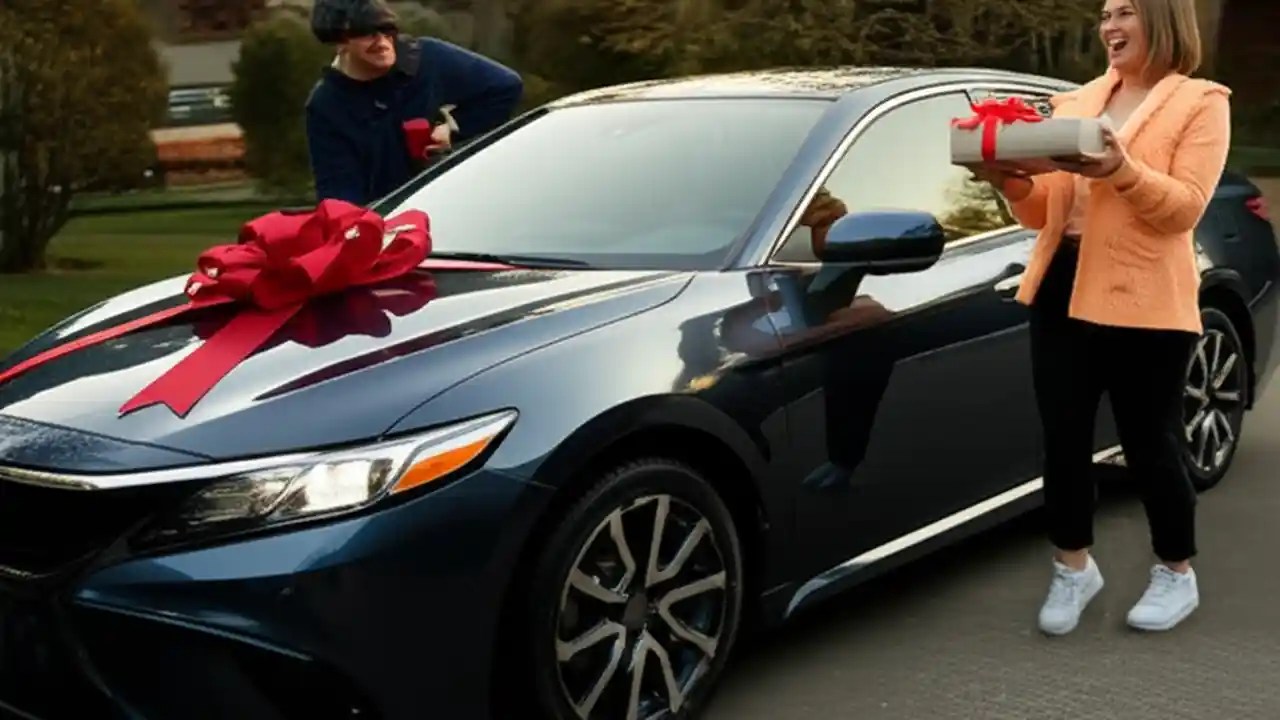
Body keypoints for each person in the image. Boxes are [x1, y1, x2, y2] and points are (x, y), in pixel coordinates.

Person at [974, 0, 1231, 635]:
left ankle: (1176, 571)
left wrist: (1120, 169)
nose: (1109, 27)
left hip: (1145, 293)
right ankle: (1073, 567)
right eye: (1105, 15)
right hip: (1062, 284)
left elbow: (1184, 209)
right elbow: (1046, 209)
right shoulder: (1077, 100)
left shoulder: (1200, 102)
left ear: (1163, 19)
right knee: (1063, 439)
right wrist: (1007, 182)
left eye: (1125, 13)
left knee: (1150, 443)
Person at [305, 0, 524, 206]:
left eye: (387, 30)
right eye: (366, 33)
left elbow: (505, 87)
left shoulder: (425, 59)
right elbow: (339, 197)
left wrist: (454, 129)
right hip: (387, 218)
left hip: (451, 201)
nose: (382, 42)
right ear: (339, 40)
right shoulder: (327, 105)